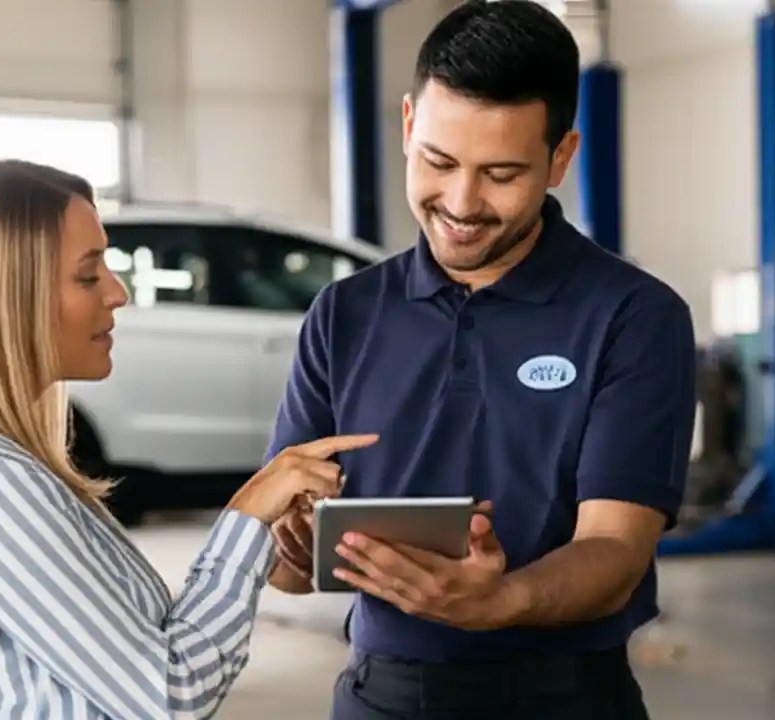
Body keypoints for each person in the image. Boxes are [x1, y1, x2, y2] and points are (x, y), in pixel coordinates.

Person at [265, 2, 697, 717]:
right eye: (438, 161)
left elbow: (615, 551)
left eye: (501, 173)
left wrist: (506, 599)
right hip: (380, 697)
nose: (461, 203)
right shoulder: (343, 315)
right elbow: (286, 574)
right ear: (408, 126)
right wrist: (292, 546)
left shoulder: (634, 317)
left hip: (564, 701)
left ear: (560, 158)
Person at [0, 159, 377, 719]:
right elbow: (167, 695)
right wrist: (247, 516)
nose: (118, 294)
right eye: (87, 274)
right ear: (10, 297)